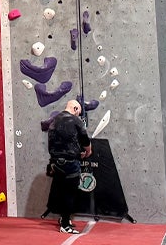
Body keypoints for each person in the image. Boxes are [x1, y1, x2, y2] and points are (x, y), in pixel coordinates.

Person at [46, 99, 91, 234]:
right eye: (79, 112)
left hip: (55, 162)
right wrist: (88, 151)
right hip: (70, 162)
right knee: (70, 193)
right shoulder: (75, 121)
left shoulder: (54, 120)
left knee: (60, 192)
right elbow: (84, 139)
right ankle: (65, 224)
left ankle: (63, 218)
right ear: (76, 109)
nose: (78, 115)